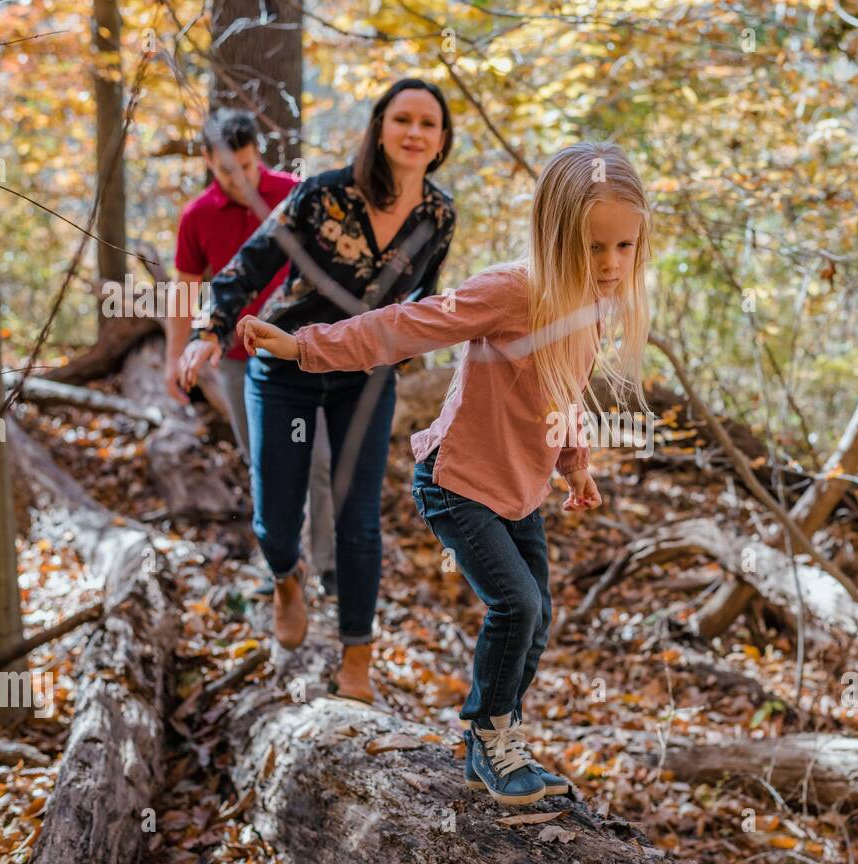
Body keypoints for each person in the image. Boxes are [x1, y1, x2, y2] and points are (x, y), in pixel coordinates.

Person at [236, 142, 653, 807]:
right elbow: (410, 325)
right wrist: (304, 345)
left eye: (624, 248)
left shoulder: (594, 302)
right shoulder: (515, 290)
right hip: (455, 482)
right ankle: (488, 744)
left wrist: (576, 465)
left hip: (519, 490)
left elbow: (564, 391)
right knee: (515, 604)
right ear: (553, 235)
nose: (609, 264)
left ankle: (502, 742)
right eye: (592, 248)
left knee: (537, 616)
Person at [177, 79, 457, 703]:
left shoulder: (438, 215)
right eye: (402, 119)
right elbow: (247, 264)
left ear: (440, 142)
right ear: (380, 127)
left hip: (364, 375)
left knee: (359, 522)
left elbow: (423, 299)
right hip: (283, 364)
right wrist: (206, 333)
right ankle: (285, 577)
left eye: (428, 124)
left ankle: (356, 658)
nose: (414, 132)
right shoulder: (323, 195)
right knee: (275, 519)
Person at [167, 108, 337, 598]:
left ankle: (327, 567)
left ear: (256, 153)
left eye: (246, 165)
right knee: (264, 462)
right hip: (241, 362)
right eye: (226, 170)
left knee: (321, 460)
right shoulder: (197, 216)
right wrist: (174, 361)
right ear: (207, 160)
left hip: (306, 352)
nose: (239, 179)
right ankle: (283, 567)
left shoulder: (293, 193)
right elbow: (183, 294)